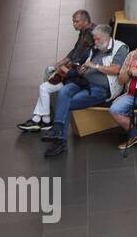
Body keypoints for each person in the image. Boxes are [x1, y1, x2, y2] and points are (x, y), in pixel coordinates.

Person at [42, 24, 128, 158]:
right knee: (64, 92)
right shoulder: (96, 48)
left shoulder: (120, 48)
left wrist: (94, 66)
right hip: (83, 81)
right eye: (94, 39)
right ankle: (58, 131)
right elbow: (86, 62)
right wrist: (84, 69)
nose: (95, 42)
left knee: (66, 102)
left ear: (106, 37)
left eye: (98, 39)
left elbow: (116, 70)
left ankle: (60, 141)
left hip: (102, 89)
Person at [18, 9, 93, 133]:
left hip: (75, 78)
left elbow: (81, 59)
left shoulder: (90, 36)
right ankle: (38, 118)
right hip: (72, 71)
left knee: (44, 87)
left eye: (76, 21)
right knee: (47, 77)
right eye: (73, 21)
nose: (74, 24)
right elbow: (74, 51)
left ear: (85, 21)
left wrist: (63, 68)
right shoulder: (84, 32)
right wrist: (61, 63)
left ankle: (45, 120)